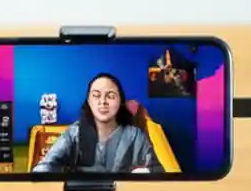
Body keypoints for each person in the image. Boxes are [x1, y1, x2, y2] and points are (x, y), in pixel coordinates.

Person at [32, 72, 164, 174]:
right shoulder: (74, 133)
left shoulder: (135, 136)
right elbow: (46, 165)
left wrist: (145, 174)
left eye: (111, 96)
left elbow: (158, 172)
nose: (103, 101)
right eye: (96, 95)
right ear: (88, 101)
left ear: (120, 102)